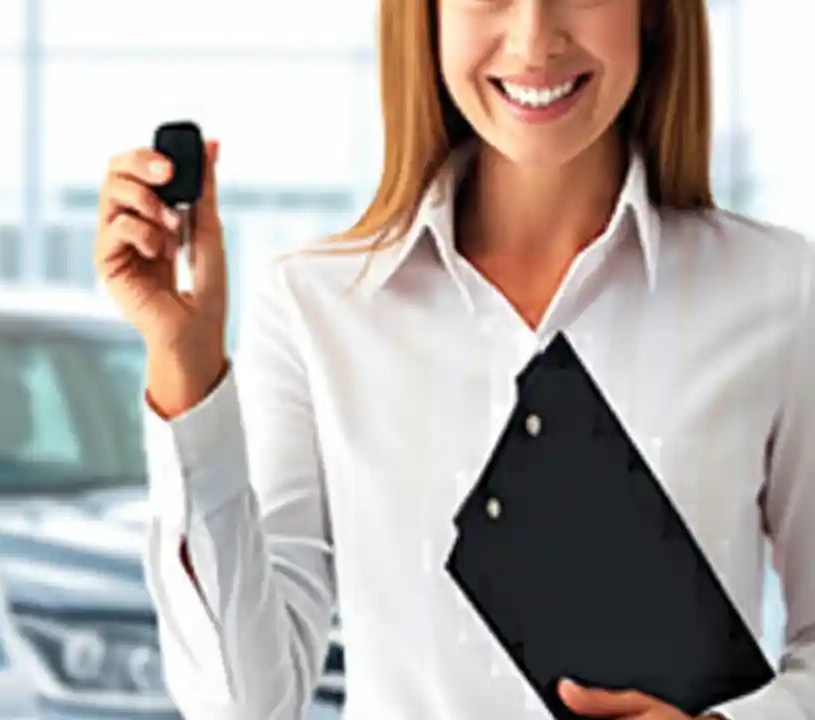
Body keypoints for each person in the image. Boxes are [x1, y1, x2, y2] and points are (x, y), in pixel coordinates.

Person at [92, 0, 814, 718]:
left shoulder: (778, 291)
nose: (535, 39)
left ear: (652, 13)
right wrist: (185, 374)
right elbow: (244, 704)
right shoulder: (315, 308)